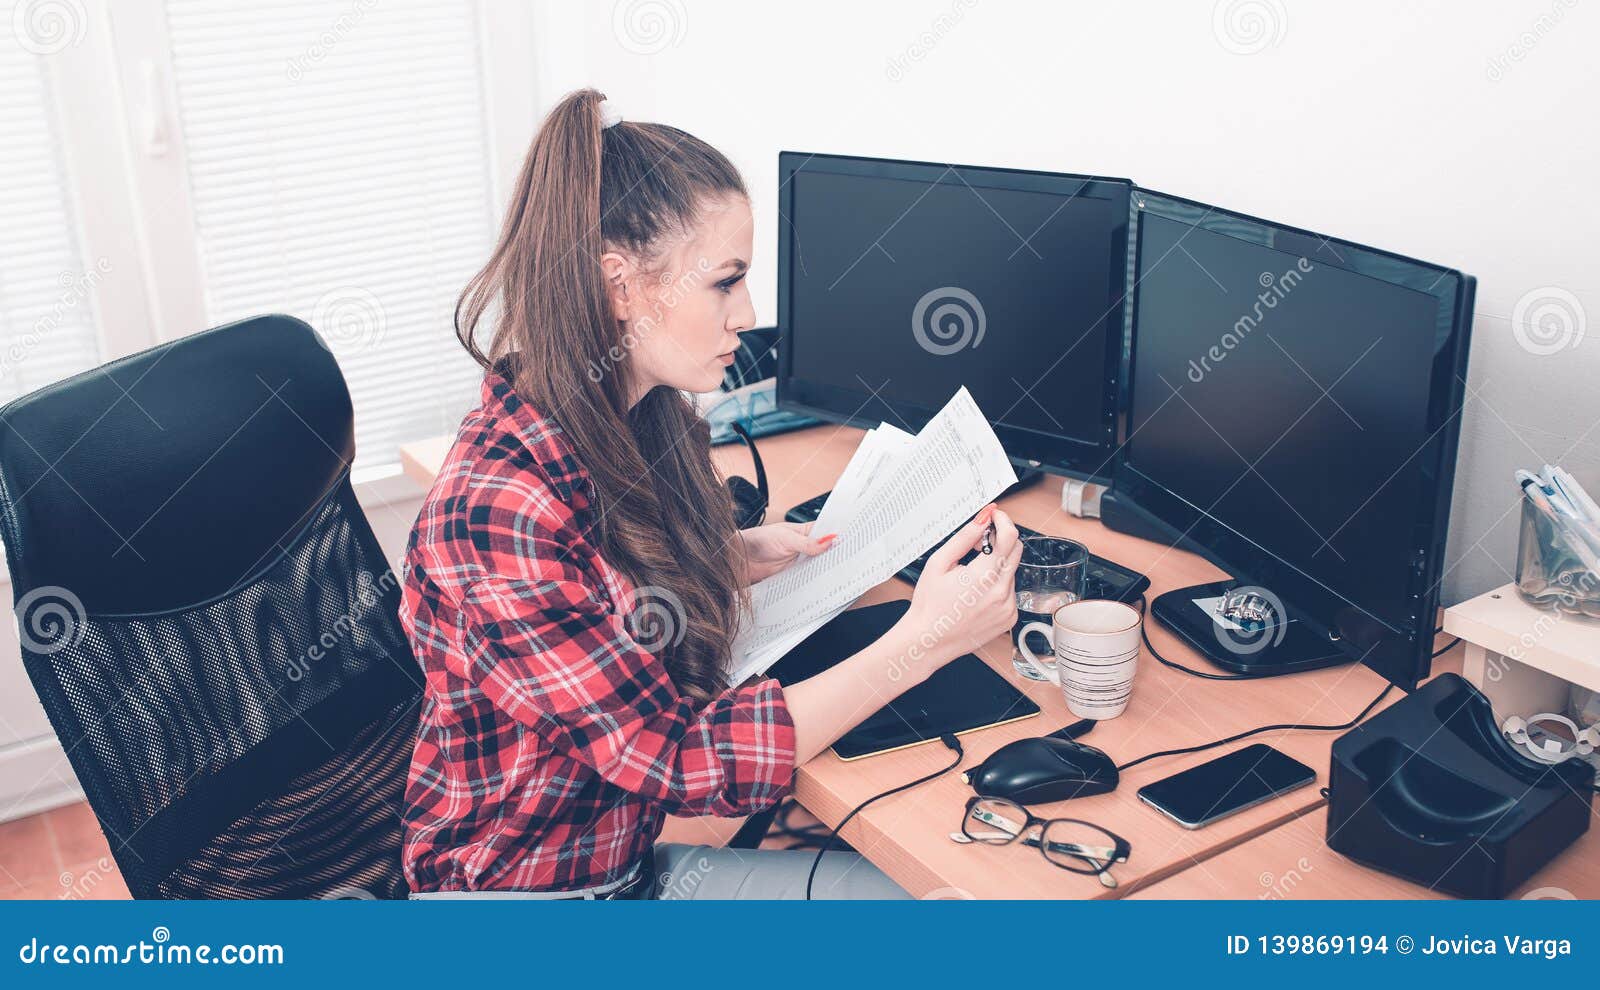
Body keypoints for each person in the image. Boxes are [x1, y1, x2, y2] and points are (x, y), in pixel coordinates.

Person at [398, 88, 1021, 899]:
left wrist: (718, 562)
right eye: (726, 282)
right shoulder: (497, 512)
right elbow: (676, 761)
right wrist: (925, 640)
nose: (749, 313)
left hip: (620, 861)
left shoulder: (622, 419)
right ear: (619, 287)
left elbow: (594, 597)